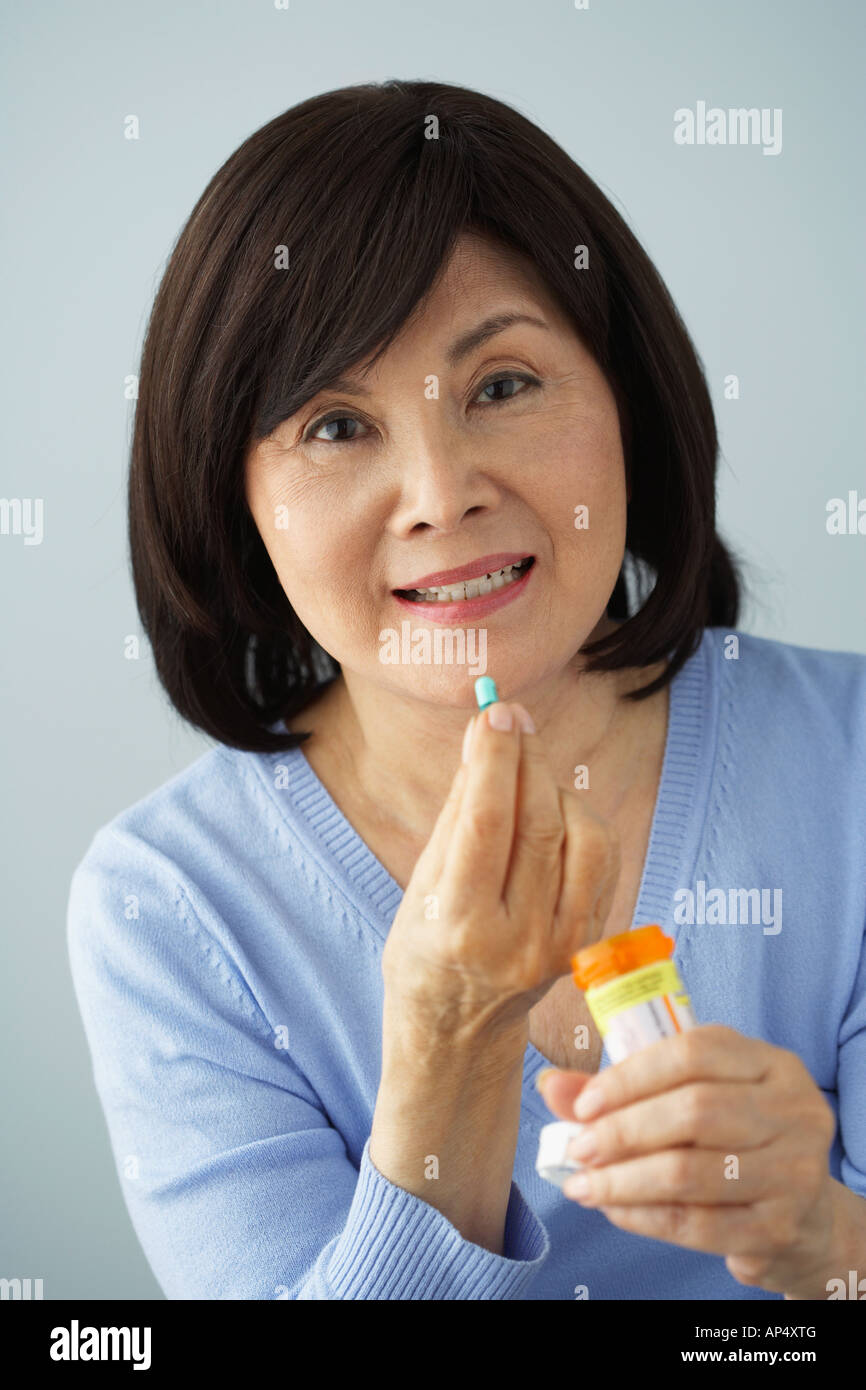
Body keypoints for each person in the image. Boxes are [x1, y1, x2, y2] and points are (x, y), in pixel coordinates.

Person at [67, 79, 866, 1300]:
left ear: (624, 404)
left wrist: (822, 1243)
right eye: (334, 426)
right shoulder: (166, 909)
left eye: (500, 385)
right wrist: (453, 1047)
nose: (439, 494)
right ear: (236, 502)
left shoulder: (848, 763)